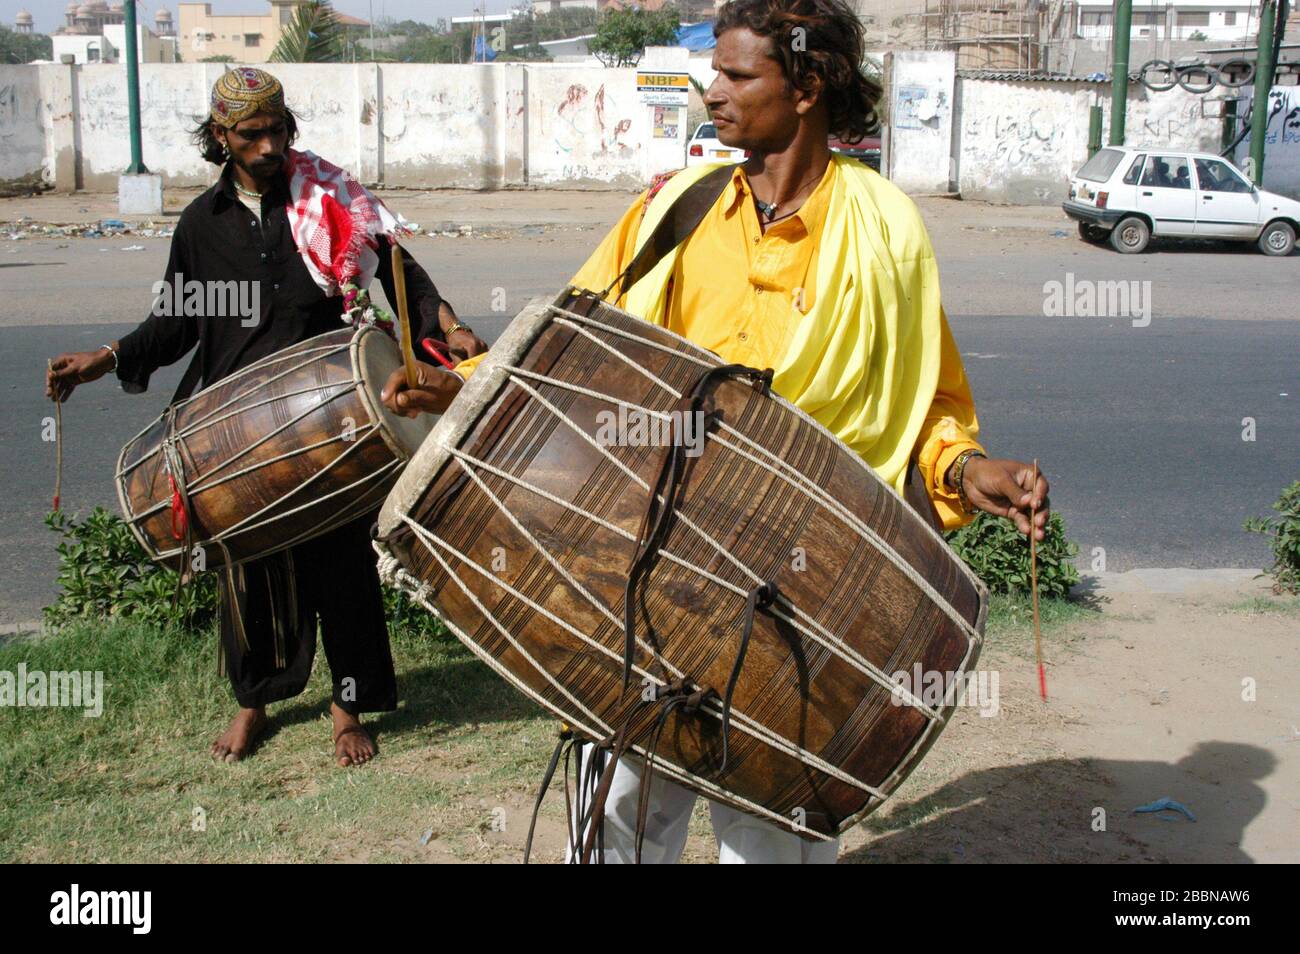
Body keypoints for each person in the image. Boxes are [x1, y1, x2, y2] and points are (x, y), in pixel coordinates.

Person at [382, 0, 1050, 862]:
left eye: (739, 74)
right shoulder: (677, 209)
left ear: (807, 86)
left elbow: (921, 401)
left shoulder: (885, 228)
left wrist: (965, 471)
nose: (714, 88)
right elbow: (568, 346)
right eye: (718, 71)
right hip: (640, 557)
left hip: (796, 589)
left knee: (768, 830)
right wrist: (460, 387)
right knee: (618, 806)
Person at [46, 67, 486, 767]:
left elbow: (398, 268)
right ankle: (253, 704)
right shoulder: (201, 224)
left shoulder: (325, 200)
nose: (270, 144)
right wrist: (105, 359)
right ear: (220, 137)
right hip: (234, 423)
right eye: (252, 133)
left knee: (342, 568)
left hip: (329, 414)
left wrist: (448, 326)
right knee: (246, 571)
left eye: (279, 129)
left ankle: (348, 709)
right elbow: (176, 321)